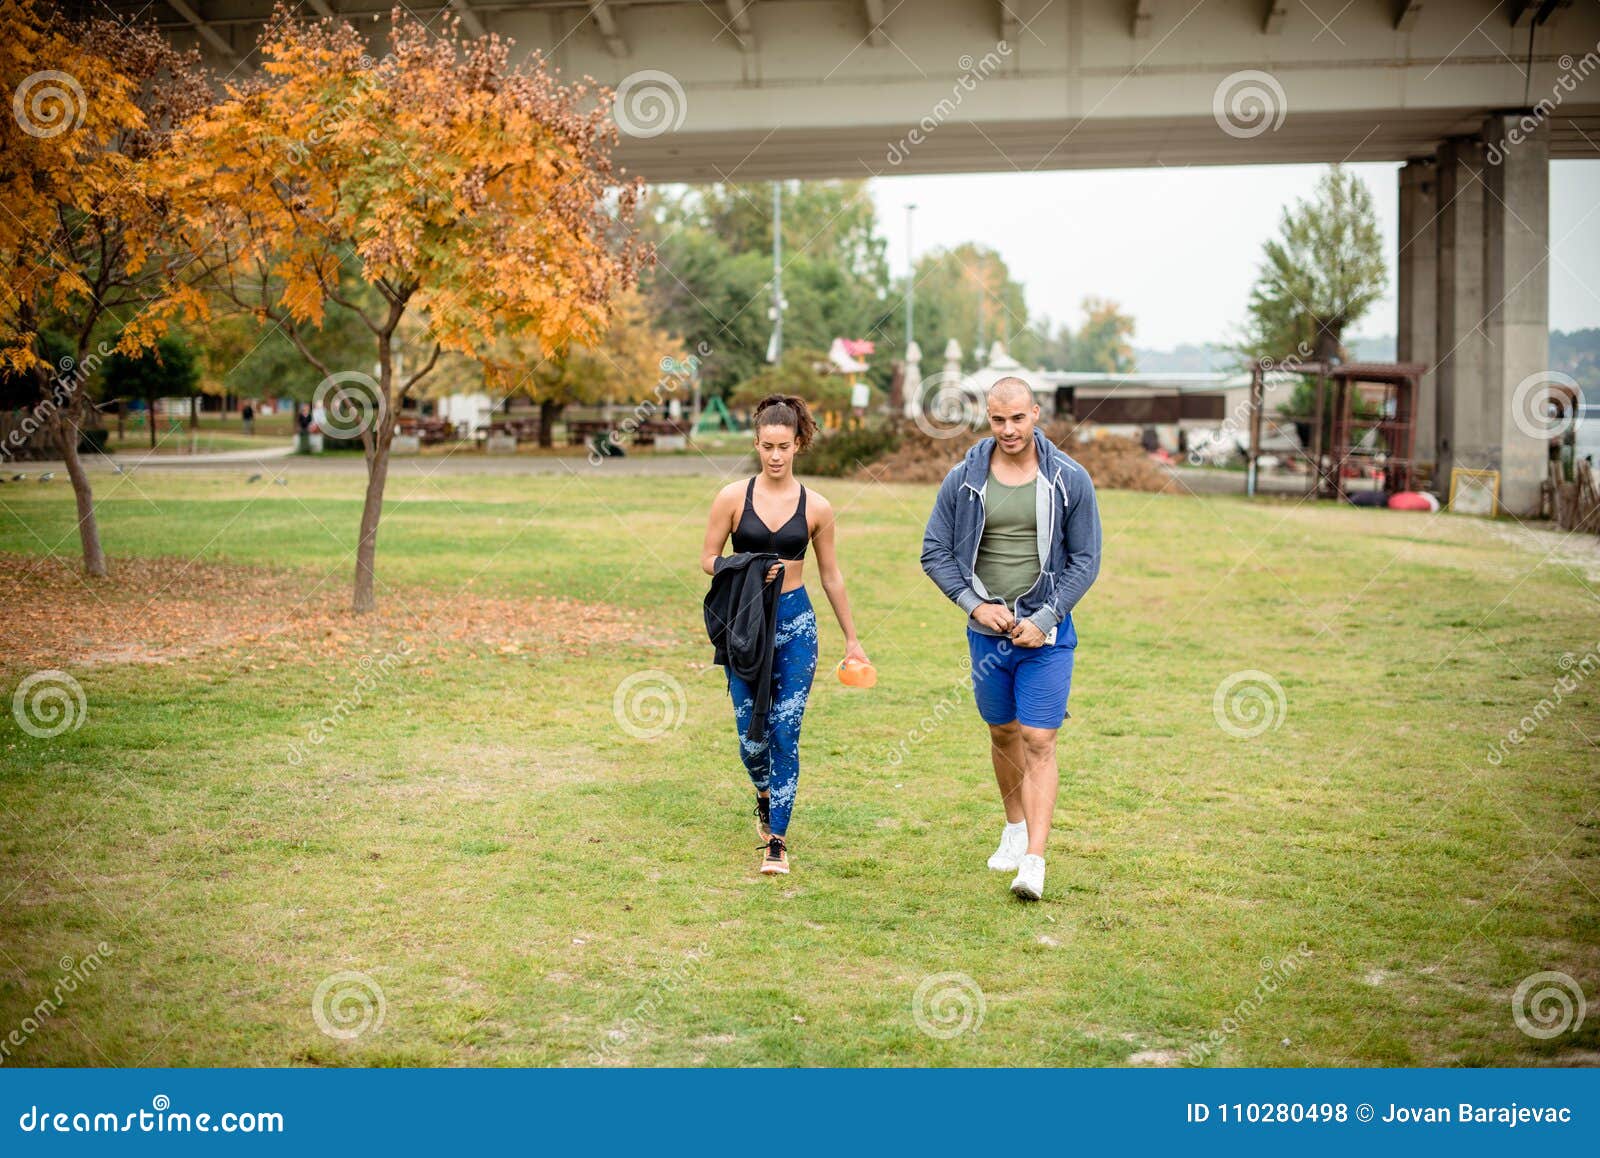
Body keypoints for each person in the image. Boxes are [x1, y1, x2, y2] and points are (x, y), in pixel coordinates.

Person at [920, 377, 1102, 901]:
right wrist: (976, 605)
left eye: (1018, 418)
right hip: (987, 634)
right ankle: (1014, 827)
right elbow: (934, 551)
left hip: (1046, 635)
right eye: (998, 419)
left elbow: (1086, 560)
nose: (1008, 429)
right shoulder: (963, 479)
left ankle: (1035, 862)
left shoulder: (1070, 478)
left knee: (1039, 739)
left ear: (1036, 414)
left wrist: (1045, 618)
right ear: (987, 418)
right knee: (1003, 733)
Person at [700, 394, 868, 875]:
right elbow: (708, 558)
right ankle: (763, 792)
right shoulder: (732, 498)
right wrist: (749, 564)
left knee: (785, 732)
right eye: (767, 446)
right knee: (750, 741)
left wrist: (852, 639)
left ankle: (777, 839)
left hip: (796, 624)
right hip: (745, 625)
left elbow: (832, 576)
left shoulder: (817, 507)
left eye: (784, 446)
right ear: (756, 443)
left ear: (799, 445)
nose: (775, 455)